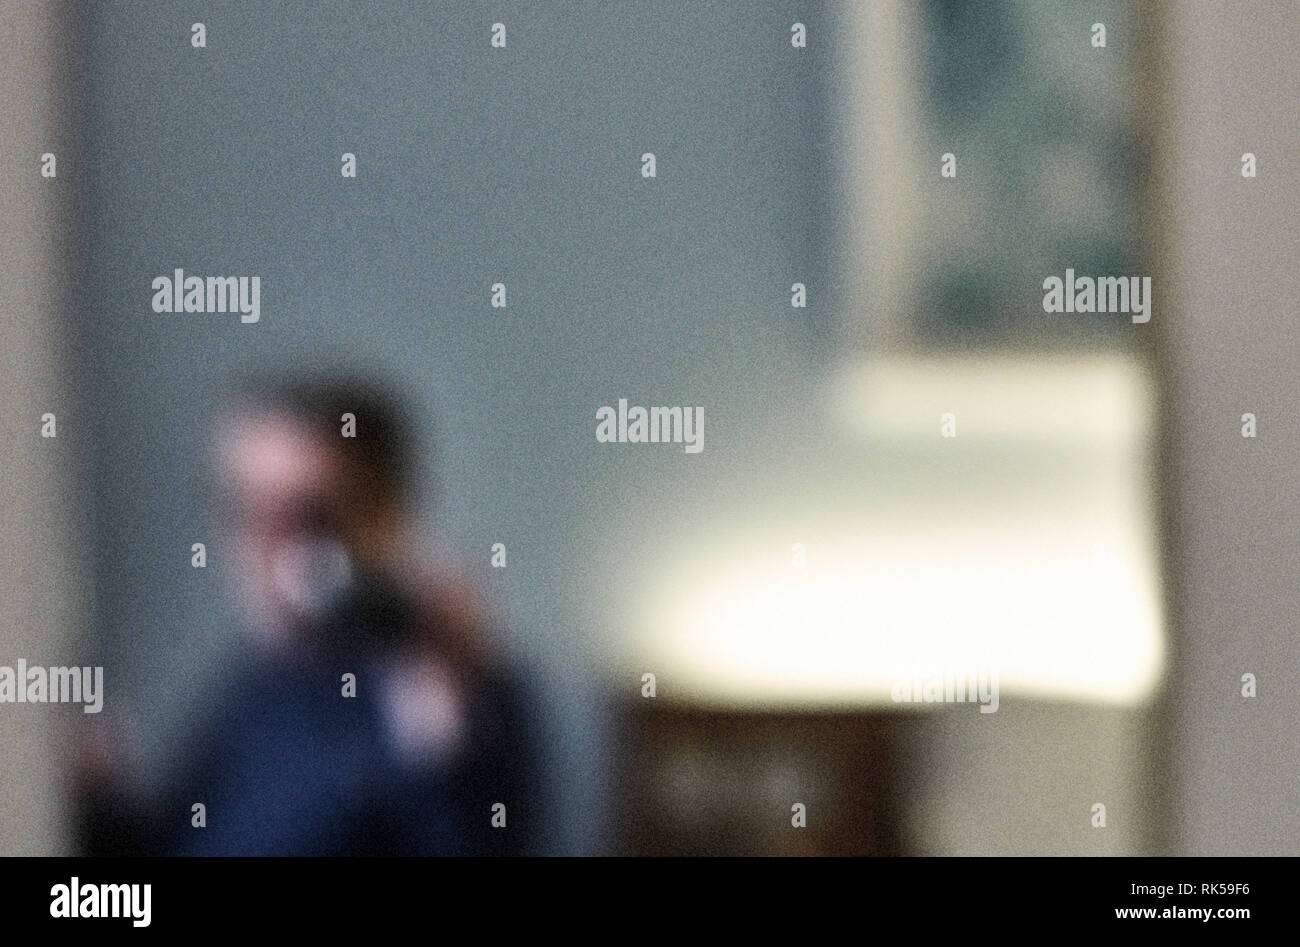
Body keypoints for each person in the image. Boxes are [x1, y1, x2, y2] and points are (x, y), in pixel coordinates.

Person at [75, 373, 543, 855]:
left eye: (306, 517)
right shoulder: (253, 691)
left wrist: (435, 749)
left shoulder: (461, 693)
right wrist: (102, 803)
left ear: (389, 517)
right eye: (243, 511)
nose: (264, 548)